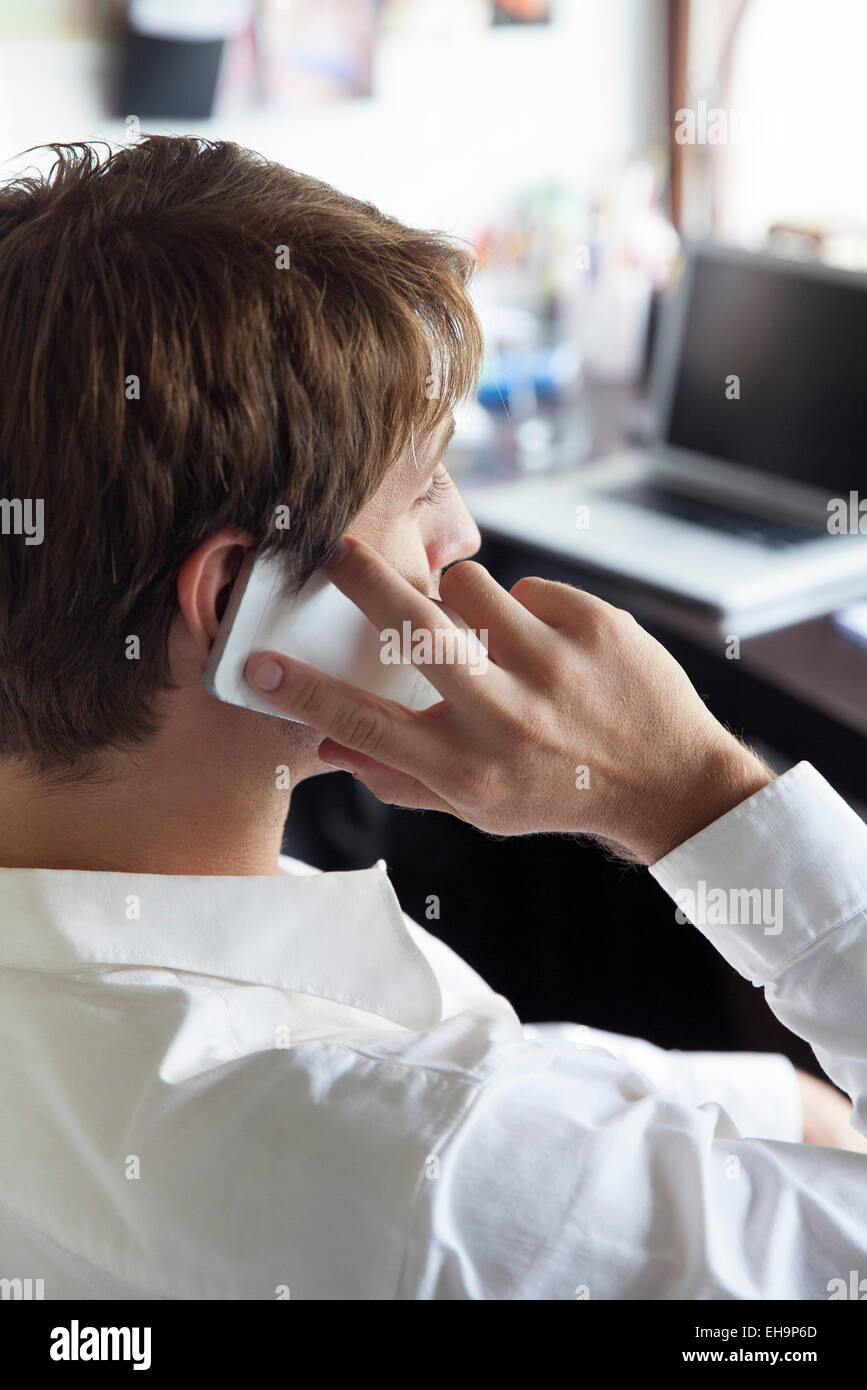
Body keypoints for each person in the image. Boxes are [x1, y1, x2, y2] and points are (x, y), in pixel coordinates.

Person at [0, 135, 864, 1302]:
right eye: (421, 486)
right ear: (228, 604)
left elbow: (459, 1079)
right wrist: (695, 793)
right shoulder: (430, 1181)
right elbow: (457, 1156)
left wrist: (761, 1099)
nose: (460, 535)